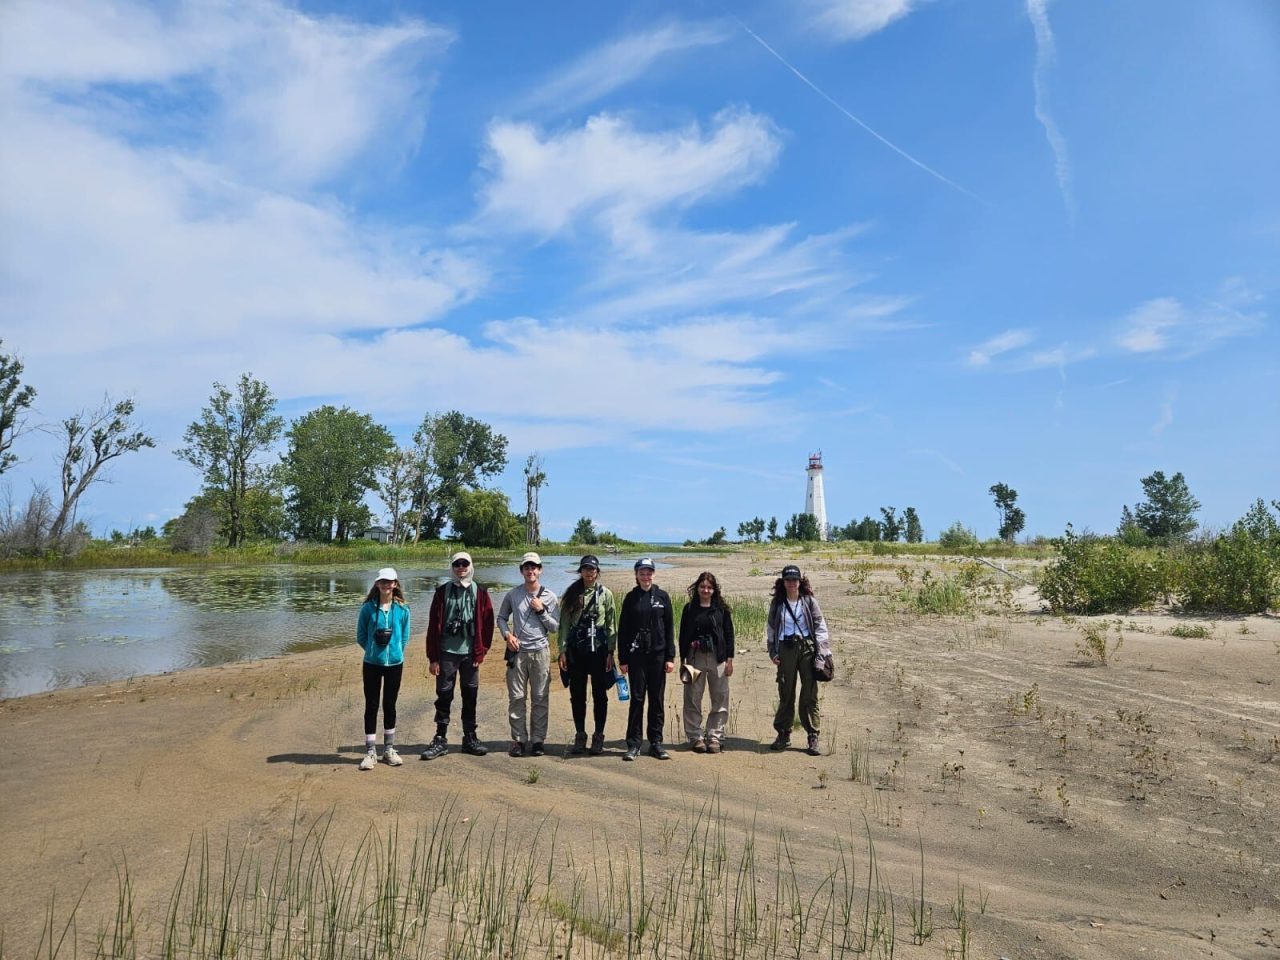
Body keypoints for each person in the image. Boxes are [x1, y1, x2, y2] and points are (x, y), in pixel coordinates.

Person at [421, 551, 495, 761]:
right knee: (444, 695)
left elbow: (488, 623)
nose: (461, 567)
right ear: (452, 567)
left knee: (470, 695)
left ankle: (470, 737)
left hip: (470, 654)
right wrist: (433, 658)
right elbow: (433, 627)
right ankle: (440, 738)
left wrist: (482, 651)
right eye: (457, 564)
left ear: (470, 566)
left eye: (465, 564)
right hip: (446, 653)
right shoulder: (442, 592)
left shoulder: (480, 592)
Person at [496, 551, 559, 757]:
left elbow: (555, 627)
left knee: (540, 697)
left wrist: (541, 611)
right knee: (517, 697)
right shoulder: (513, 594)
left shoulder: (550, 596)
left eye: (534, 567)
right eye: (526, 567)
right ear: (522, 571)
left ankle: (538, 740)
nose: (530, 570)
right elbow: (502, 618)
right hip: (518, 653)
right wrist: (507, 636)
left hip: (541, 652)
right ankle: (519, 740)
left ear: (540, 570)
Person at [555, 555, 618, 755]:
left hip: (599, 651)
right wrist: (562, 650)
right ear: (580, 571)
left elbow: (611, 624)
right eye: (585, 569)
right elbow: (564, 624)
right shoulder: (572, 593)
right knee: (577, 695)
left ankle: (598, 736)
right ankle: (580, 735)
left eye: (592, 569)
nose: (589, 573)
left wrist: (610, 651)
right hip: (576, 651)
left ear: (597, 571)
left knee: (600, 695)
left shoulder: (606, 594)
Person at [766, 564, 831, 756]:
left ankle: (812, 735)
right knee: (786, 692)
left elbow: (820, 627)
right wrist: (772, 652)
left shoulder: (809, 601)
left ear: (799, 581)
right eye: (788, 580)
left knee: (809, 693)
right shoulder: (777, 603)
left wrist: (821, 656)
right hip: (785, 649)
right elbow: (771, 629)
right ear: (783, 582)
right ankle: (784, 734)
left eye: (794, 580)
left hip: (807, 650)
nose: (791, 583)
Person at [617, 557, 675, 761]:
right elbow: (622, 630)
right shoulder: (631, 598)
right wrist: (622, 659)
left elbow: (669, 628)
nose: (645, 576)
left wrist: (670, 657)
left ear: (653, 574)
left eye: (649, 572)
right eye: (642, 572)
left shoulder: (662, 597)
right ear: (636, 575)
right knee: (638, 699)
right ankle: (634, 743)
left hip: (658, 656)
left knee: (657, 700)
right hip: (636, 657)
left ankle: (656, 742)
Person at [355, 568, 412, 770]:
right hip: (371, 663)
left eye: (390, 582)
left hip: (395, 664)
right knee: (371, 706)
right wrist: (373, 651)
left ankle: (389, 749)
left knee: (390, 705)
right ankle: (370, 752)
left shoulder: (403, 609)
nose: (386, 585)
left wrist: (395, 651)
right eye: (382, 582)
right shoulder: (368, 609)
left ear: (395, 584)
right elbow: (361, 636)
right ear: (377, 584)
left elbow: (404, 637)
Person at [678, 571, 735, 754]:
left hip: (718, 657)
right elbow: (682, 635)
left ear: (714, 589)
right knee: (693, 697)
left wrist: (729, 660)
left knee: (720, 697)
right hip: (694, 657)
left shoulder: (721, 610)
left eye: (709, 587)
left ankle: (715, 736)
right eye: (702, 586)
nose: (706, 590)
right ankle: (695, 737)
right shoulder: (689, 609)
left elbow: (729, 634)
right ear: (697, 588)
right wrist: (682, 660)